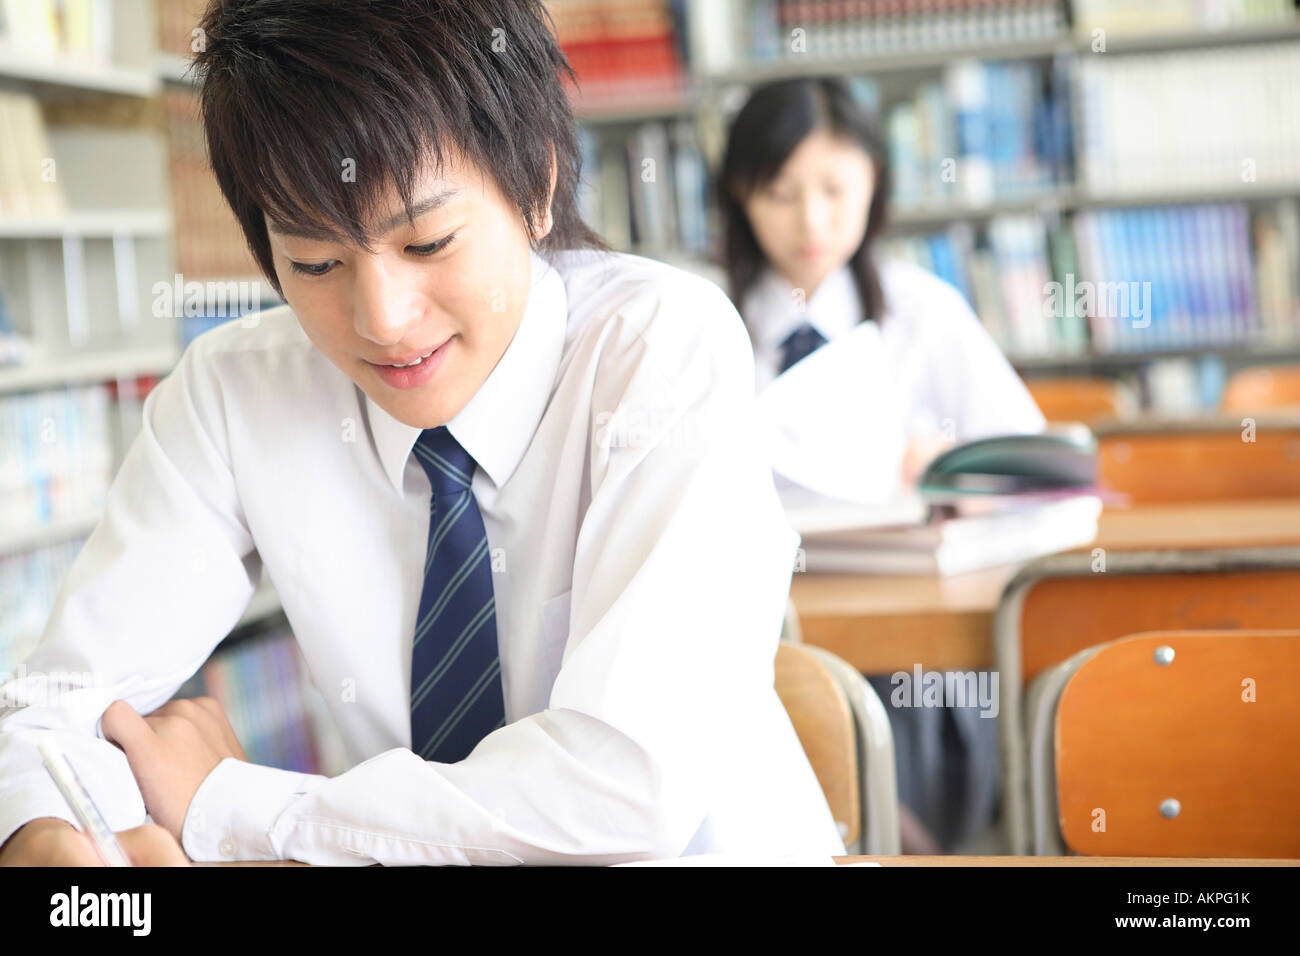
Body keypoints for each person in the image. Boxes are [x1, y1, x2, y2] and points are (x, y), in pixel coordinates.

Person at [0, 0, 843, 866]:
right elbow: (57, 706)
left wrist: (235, 805)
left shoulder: (662, 349)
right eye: (315, 263)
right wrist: (53, 839)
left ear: (538, 186)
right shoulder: (233, 394)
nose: (384, 320)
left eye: (429, 242)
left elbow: (622, 793)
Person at [719, 77, 1046, 853]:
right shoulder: (706, 323)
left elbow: (1035, 468)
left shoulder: (922, 311)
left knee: (892, 718)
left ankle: (885, 837)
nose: (813, 222)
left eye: (836, 189)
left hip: (910, 658)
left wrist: (957, 475)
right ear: (738, 195)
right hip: (760, 640)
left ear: (876, 181)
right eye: (780, 192)